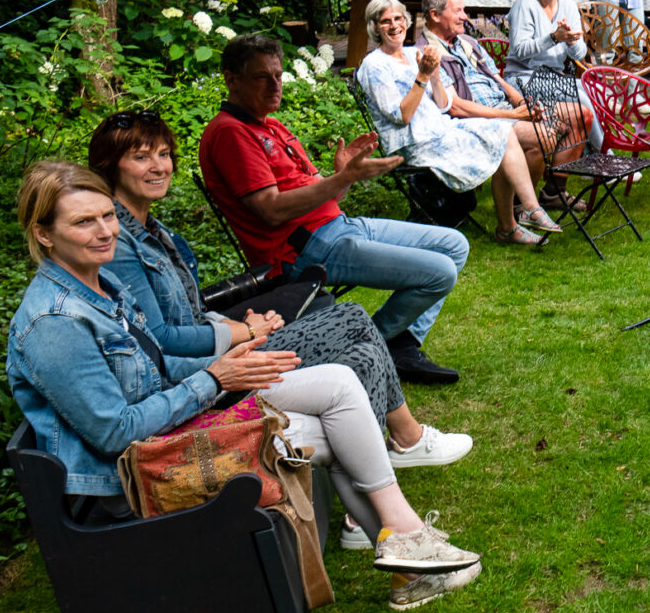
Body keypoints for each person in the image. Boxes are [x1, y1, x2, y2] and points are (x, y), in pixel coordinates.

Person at [6, 161, 483, 602]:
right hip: (139, 470)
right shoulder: (54, 322)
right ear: (44, 235)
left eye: (107, 216)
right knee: (323, 431)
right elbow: (114, 432)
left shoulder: (99, 284)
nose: (105, 231)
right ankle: (411, 558)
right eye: (83, 223)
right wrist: (214, 379)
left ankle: (405, 544)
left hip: (169, 425)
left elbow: (152, 367)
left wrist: (230, 362)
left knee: (338, 383)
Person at [90, 109, 470, 482]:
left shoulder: (152, 230)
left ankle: (376, 486)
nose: (158, 166)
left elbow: (190, 312)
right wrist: (242, 333)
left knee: (364, 351)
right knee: (352, 319)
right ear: (111, 167)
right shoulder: (118, 243)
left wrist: (237, 323)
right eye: (141, 158)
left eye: (163, 154)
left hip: (219, 347)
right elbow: (161, 341)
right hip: (203, 374)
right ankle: (406, 440)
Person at [199, 34, 467, 385]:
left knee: (454, 245)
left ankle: (401, 344)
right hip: (303, 248)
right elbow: (271, 210)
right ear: (231, 79)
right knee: (440, 272)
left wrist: (341, 177)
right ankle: (369, 341)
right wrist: (341, 179)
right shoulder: (231, 134)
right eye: (262, 77)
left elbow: (321, 196)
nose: (274, 85)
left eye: (278, 76)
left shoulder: (270, 124)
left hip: (337, 226)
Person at [357, 0, 559, 246]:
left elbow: (443, 104)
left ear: (406, 21)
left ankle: (528, 210)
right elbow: (403, 116)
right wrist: (422, 76)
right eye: (385, 21)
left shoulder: (414, 54)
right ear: (374, 27)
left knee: (501, 131)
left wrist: (434, 77)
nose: (394, 25)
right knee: (498, 142)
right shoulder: (373, 65)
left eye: (398, 18)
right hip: (417, 143)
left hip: (443, 129)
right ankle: (510, 226)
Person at [419, 0, 597, 191]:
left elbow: (499, 80)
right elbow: (456, 107)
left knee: (581, 115)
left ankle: (554, 192)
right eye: (458, 11)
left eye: (464, 10)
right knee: (544, 135)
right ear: (435, 15)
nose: (465, 16)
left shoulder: (467, 42)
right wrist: (516, 115)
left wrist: (525, 105)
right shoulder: (427, 54)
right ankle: (521, 206)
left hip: (506, 108)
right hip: (478, 120)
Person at [506, 0, 589, 81]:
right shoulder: (524, 4)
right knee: (578, 102)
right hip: (523, 77)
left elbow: (579, 54)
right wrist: (554, 38)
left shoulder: (569, 6)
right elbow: (520, 51)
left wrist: (572, 41)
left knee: (597, 95)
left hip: (556, 78)